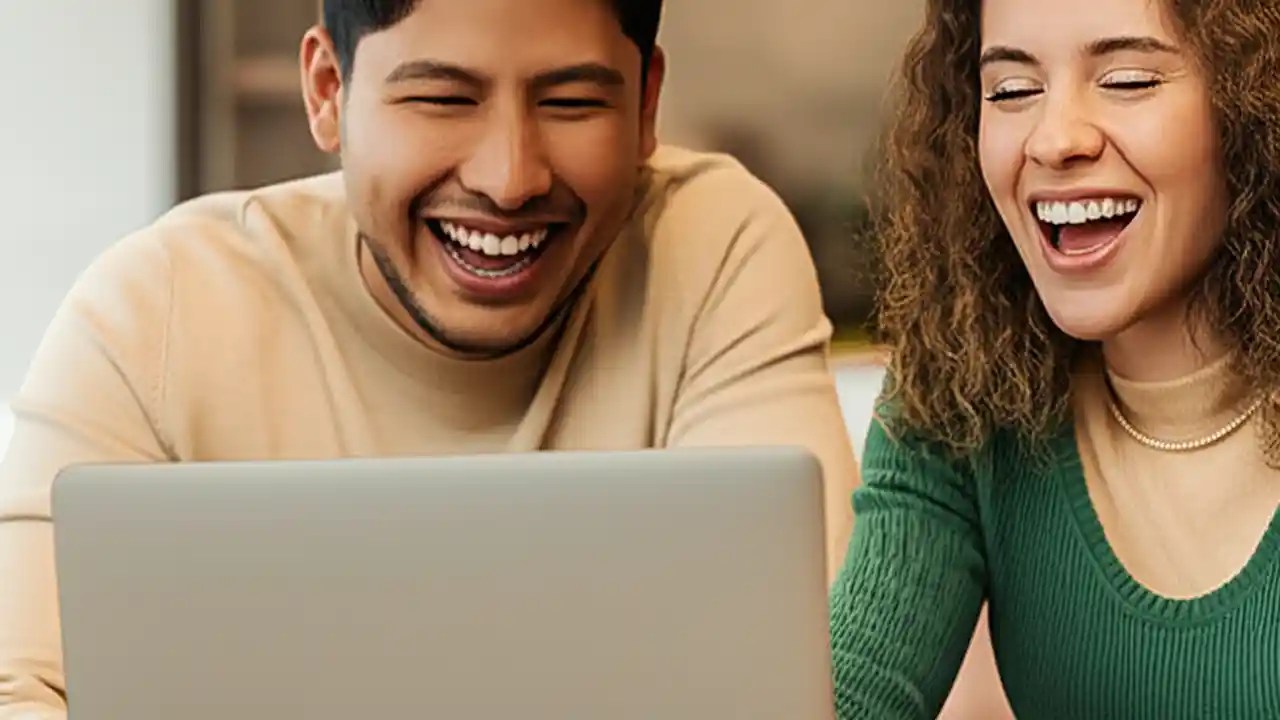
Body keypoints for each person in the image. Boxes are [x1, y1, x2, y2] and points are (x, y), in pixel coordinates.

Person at [0, 1, 861, 716]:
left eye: (570, 103)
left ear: (646, 106)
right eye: (443, 99)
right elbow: (19, 688)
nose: (510, 178)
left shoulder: (708, 249)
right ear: (329, 90)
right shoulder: (156, 308)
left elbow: (802, 674)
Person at [830, 0, 1280, 716]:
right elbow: (850, 692)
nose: (1053, 140)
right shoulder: (961, 382)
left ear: (1257, 103)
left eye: (1128, 81)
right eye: (1011, 91)